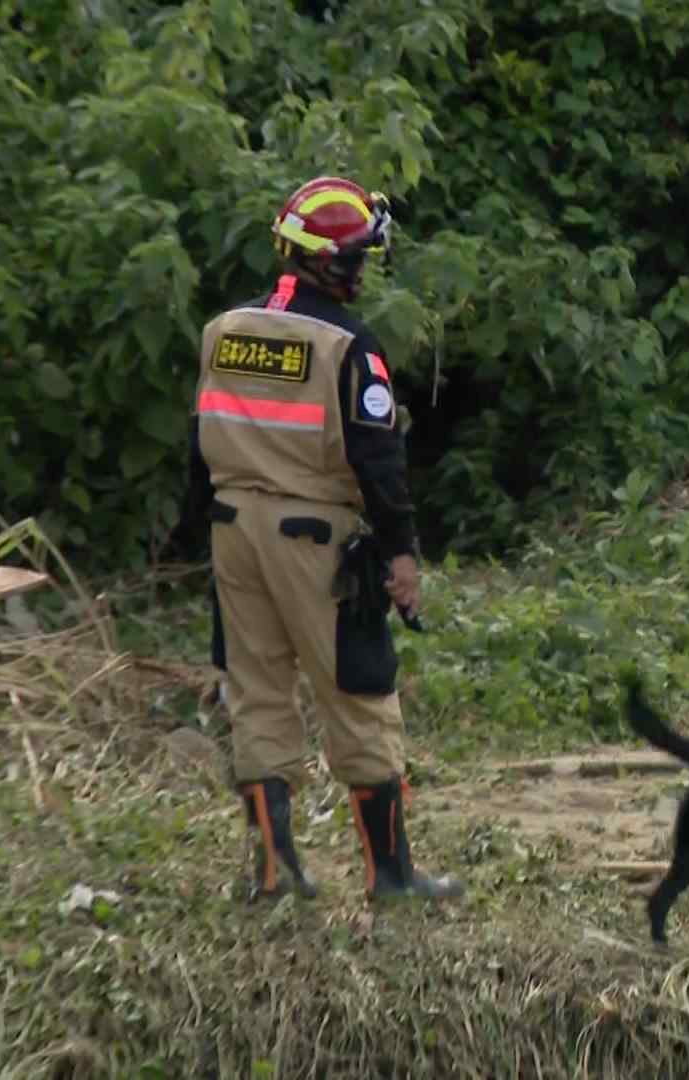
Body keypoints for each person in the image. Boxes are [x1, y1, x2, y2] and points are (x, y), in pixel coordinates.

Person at [183, 175, 461, 901]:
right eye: (359, 256)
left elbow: (197, 447)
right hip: (315, 540)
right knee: (360, 692)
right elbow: (379, 458)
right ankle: (391, 876)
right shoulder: (348, 346)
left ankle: (276, 872)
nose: (364, 268)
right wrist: (401, 552)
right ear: (331, 261)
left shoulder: (224, 331)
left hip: (232, 532)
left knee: (256, 691)